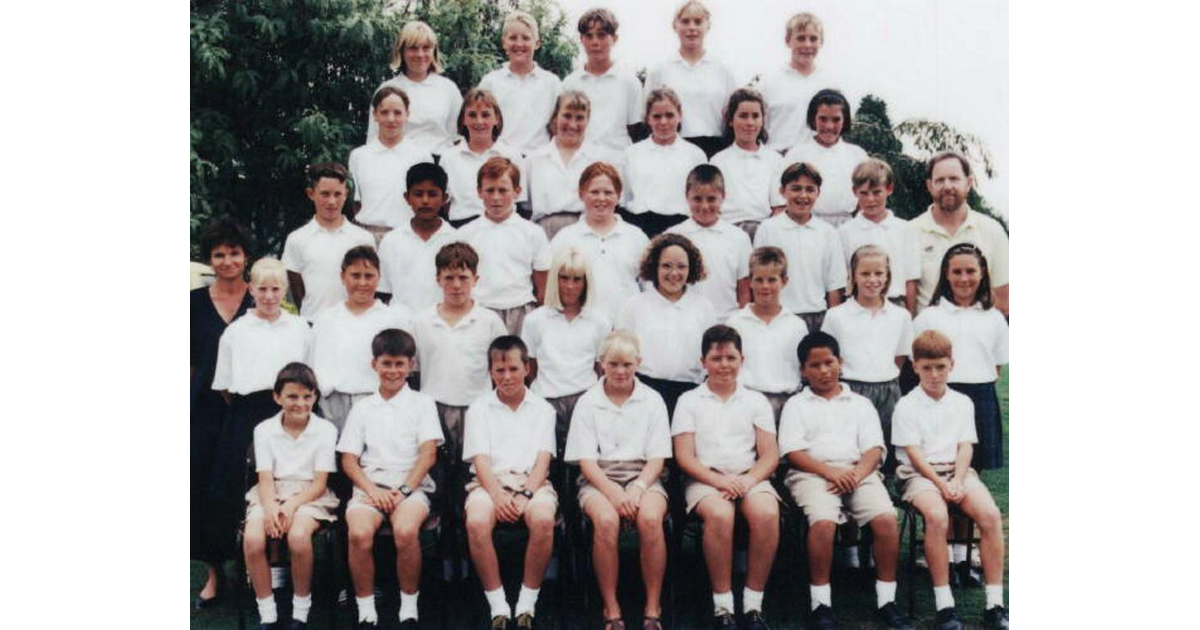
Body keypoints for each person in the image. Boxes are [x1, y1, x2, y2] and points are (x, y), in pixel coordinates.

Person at [777, 332, 912, 630]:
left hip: (858, 473)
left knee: (887, 519)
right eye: (815, 365)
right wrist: (830, 472)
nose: (824, 370)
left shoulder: (860, 403)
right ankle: (821, 603)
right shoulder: (796, 405)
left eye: (830, 362)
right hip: (812, 475)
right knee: (823, 521)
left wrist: (855, 475)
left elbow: (874, 449)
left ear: (841, 362)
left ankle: (886, 600)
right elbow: (792, 452)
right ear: (802, 370)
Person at [892, 330, 1009, 630]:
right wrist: (941, 484)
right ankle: (945, 606)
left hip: (956, 471)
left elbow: (965, 445)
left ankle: (994, 604)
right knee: (936, 515)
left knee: (991, 516)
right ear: (915, 367)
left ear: (951, 365)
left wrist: (957, 480)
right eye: (927, 367)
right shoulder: (906, 404)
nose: (934, 374)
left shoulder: (962, 402)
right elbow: (914, 453)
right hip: (919, 474)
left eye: (940, 367)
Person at [672, 325, 780, 630]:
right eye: (716, 358)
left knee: (767, 514)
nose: (724, 365)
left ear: (742, 359)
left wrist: (747, 481)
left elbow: (770, 454)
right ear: (703, 361)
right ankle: (723, 607)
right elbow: (684, 456)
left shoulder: (756, 400)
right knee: (720, 515)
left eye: (730, 357)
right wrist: (720, 482)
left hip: (749, 476)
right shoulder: (689, 401)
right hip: (706, 479)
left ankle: (753, 605)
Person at [563, 330, 672, 630]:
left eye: (627, 364)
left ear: (638, 362)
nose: (621, 371)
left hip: (644, 477)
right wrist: (613, 494)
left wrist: (637, 490)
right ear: (602, 364)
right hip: (599, 479)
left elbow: (657, 458)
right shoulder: (588, 402)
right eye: (614, 364)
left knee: (650, 519)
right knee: (607, 521)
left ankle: (653, 606)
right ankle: (611, 607)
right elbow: (586, 461)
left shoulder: (653, 400)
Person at [338, 329, 444, 630]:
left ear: (411, 365)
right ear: (374, 364)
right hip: (369, 489)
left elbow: (428, 455)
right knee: (358, 534)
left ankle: (408, 605)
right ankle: (366, 608)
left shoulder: (423, 404)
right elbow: (349, 459)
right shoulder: (362, 408)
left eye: (400, 364)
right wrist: (372, 491)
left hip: (411, 488)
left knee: (406, 530)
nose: (393, 371)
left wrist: (403, 490)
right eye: (386, 363)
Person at [462, 336, 559, 630]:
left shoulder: (543, 408)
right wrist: (498, 496)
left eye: (513, 369)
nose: (507, 377)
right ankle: (498, 605)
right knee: (477, 522)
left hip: (533, 482)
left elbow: (544, 459)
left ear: (527, 368)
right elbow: (480, 461)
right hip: (489, 483)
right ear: (490, 371)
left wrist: (527, 493)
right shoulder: (478, 409)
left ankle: (527, 602)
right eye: (499, 370)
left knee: (543, 519)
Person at [243, 363, 339, 630]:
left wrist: (291, 507)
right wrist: (273, 507)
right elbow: (264, 479)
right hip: (271, 491)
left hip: (310, 495)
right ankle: (268, 612)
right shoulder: (264, 429)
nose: (301, 403)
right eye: (292, 396)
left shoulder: (325, 430)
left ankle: (301, 609)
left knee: (297, 536)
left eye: (307, 396)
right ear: (277, 397)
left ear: (315, 397)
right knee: (252, 538)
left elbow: (320, 483)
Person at [192, 217, 255, 609]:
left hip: (252, 409)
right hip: (205, 410)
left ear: (246, 256)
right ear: (209, 259)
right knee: (205, 489)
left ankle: (261, 570)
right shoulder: (192, 304)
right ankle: (215, 574)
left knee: (248, 487)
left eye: (234, 253)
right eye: (220, 254)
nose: (228, 260)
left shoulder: (262, 297)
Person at [212, 258, 313, 496]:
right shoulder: (236, 331)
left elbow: (310, 374)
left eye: (276, 289)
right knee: (242, 481)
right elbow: (225, 385)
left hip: (293, 412)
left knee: (291, 477)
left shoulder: (300, 328)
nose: (269, 296)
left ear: (285, 291)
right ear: (251, 289)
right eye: (262, 289)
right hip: (248, 414)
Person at [913, 244, 1008, 473]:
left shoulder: (994, 318)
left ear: (982, 273)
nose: (964, 279)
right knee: (942, 464)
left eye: (970, 271)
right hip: (941, 398)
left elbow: (996, 365)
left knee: (974, 470)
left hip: (981, 396)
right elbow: (916, 363)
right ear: (946, 274)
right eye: (957, 272)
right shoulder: (929, 317)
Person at [820, 245, 913, 474]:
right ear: (853, 276)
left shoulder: (900, 316)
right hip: (852, 388)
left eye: (878, 273)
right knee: (853, 451)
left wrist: (885, 380)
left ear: (888, 276)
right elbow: (830, 357)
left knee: (884, 450)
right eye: (865, 274)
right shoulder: (837, 315)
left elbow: (900, 356)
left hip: (888, 390)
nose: (872, 280)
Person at [410, 242, 508, 458]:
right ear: (438, 279)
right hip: (434, 409)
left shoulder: (490, 321)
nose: (456, 285)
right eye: (449, 278)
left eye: (463, 278)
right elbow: (413, 372)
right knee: (440, 476)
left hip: (477, 408)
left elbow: (501, 370)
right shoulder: (421, 322)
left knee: (472, 473)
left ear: (476, 279)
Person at [308, 246, 412, 433]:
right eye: (355, 276)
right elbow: (312, 362)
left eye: (369, 276)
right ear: (342, 276)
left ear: (379, 278)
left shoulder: (392, 319)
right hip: (334, 403)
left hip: (376, 400)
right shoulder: (326, 319)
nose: (362, 283)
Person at [521, 247, 611, 453]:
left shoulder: (600, 321)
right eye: (564, 278)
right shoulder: (535, 320)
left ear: (586, 282)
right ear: (555, 279)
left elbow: (600, 368)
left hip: (584, 402)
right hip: (546, 401)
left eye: (577, 279)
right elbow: (531, 367)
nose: (570, 286)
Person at [616, 233, 716, 416]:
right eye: (666, 266)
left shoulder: (704, 308)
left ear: (691, 269)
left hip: (690, 394)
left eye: (681, 266)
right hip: (643, 394)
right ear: (655, 267)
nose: (674, 273)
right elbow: (621, 353)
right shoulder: (634, 305)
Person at [456, 156, 552, 335]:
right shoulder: (465, 235)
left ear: (517, 191)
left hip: (521, 311)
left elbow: (543, 287)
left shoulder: (532, 232)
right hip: (480, 311)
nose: (496, 198)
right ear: (479, 192)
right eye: (490, 190)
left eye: (503, 190)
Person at [911, 152, 1010, 316]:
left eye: (954, 179)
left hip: (980, 336)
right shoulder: (910, 231)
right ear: (929, 185)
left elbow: (1004, 299)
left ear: (969, 183)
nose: (947, 186)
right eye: (940, 180)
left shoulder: (992, 230)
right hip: (929, 337)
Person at [550, 162, 649, 323]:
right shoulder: (565, 237)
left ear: (618, 196)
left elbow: (649, 287)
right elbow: (553, 288)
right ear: (581, 194)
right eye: (594, 192)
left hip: (625, 329)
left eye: (608, 192)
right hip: (581, 327)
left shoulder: (636, 237)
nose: (601, 198)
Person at [754, 162, 846, 332]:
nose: (803, 196)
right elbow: (759, 278)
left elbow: (834, 285)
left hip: (817, 316)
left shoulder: (828, 233)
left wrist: (832, 327)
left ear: (818, 193)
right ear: (782, 191)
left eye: (810, 189)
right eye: (796, 188)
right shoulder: (768, 229)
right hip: (779, 317)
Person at [282, 163, 376, 319]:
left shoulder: (363, 239)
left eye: (337, 194)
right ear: (311, 194)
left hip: (354, 322)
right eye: (325, 194)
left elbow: (370, 283)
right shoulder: (297, 239)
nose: (332, 201)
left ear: (346, 194)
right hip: (313, 322)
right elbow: (297, 290)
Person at [725, 247, 808, 424]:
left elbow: (800, 371)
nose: (765, 286)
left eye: (772, 280)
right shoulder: (735, 323)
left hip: (786, 405)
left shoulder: (796, 326)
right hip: (745, 404)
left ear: (784, 281)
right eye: (759, 280)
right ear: (750, 282)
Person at [643, 0, 736, 158]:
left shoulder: (723, 70)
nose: (692, 27)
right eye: (685, 21)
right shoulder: (660, 70)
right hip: (671, 149)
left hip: (716, 148)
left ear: (708, 26)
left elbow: (733, 116)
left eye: (698, 22)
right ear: (675, 26)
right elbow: (646, 115)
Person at [525, 91, 621, 239]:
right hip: (545, 232)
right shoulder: (534, 159)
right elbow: (526, 206)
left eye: (580, 118)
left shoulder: (600, 159)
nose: (572, 124)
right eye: (567, 116)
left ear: (588, 120)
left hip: (588, 230)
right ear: (556, 117)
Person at [348, 87, 436, 242]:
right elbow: (356, 203)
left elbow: (428, 203)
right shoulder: (359, 156)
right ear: (374, 115)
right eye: (384, 112)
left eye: (397, 112)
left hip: (408, 236)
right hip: (365, 237)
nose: (391, 119)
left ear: (407, 114)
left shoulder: (421, 156)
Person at [665, 164, 752, 321]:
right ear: (687, 196)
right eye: (697, 199)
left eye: (711, 199)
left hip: (728, 320)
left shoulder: (739, 238)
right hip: (685, 319)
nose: (704, 206)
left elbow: (744, 289)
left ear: (723, 196)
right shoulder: (673, 236)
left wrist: (742, 321)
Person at [621, 87, 707, 237]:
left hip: (682, 228)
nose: (663, 122)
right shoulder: (632, 153)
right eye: (657, 116)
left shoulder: (695, 155)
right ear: (648, 118)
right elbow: (625, 197)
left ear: (679, 115)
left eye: (669, 115)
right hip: (642, 227)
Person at [367, 21, 463, 155]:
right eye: (413, 48)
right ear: (401, 51)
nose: (420, 54)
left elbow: (458, 138)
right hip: (399, 162)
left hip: (439, 166)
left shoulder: (448, 89)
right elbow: (373, 139)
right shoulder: (387, 90)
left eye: (426, 48)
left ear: (434, 51)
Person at [838, 158, 920, 315]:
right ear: (855, 191)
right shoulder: (845, 232)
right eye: (864, 193)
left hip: (895, 304)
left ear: (889, 189)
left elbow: (911, 279)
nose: (870, 199)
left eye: (877, 192)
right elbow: (842, 280)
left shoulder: (905, 229)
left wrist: (909, 316)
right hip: (856, 306)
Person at [377, 162, 458, 314]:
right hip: (401, 325)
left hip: (442, 324)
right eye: (418, 194)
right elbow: (383, 292)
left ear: (444, 198)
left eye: (432, 194)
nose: (425, 201)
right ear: (407, 198)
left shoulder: (456, 240)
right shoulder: (391, 241)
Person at [478, 11, 563, 154]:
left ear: (537, 43)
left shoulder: (552, 83)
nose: (519, 43)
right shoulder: (490, 82)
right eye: (512, 38)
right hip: (500, 161)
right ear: (504, 42)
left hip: (539, 160)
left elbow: (559, 127)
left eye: (526, 38)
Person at [780, 89, 868, 227]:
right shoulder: (797, 154)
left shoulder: (857, 155)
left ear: (844, 120)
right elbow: (783, 197)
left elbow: (865, 199)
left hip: (848, 225)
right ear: (813, 118)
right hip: (805, 225)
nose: (829, 126)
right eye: (823, 119)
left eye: (836, 119)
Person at [441, 88, 527, 229]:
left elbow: (519, 202)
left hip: (505, 227)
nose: (479, 121)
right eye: (472, 115)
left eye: (486, 115)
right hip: (462, 227)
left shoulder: (512, 155)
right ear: (463, 119)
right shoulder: (449, 157)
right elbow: (445, 204)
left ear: (497, 119)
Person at [562, 8, 644, 152]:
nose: (595, 42)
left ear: (614, 38)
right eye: (589, 36)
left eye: (601, 35)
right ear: (581, 39)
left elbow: (636, 131)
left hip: (617, 163)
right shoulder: (569, 84)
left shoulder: (629, 82)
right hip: (579, 163)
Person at [709, 88, 786, 240]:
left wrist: (766, 235)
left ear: (763, 120)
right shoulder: (718, 161)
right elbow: (713, 206)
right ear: (730, 120)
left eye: (755, 116)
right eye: (743, 116)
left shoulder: (775, 160)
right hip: (727, 232)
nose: (750, 122)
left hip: (764, 231)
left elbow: (779, 207)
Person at [759, 12, 835, 153]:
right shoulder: (769, 82)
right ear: (788, 40)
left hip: (818, 161)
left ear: (821, 42)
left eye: (813, 39)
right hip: (778, 159)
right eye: (801, 38)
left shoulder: (830, 84)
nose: (807, 44)